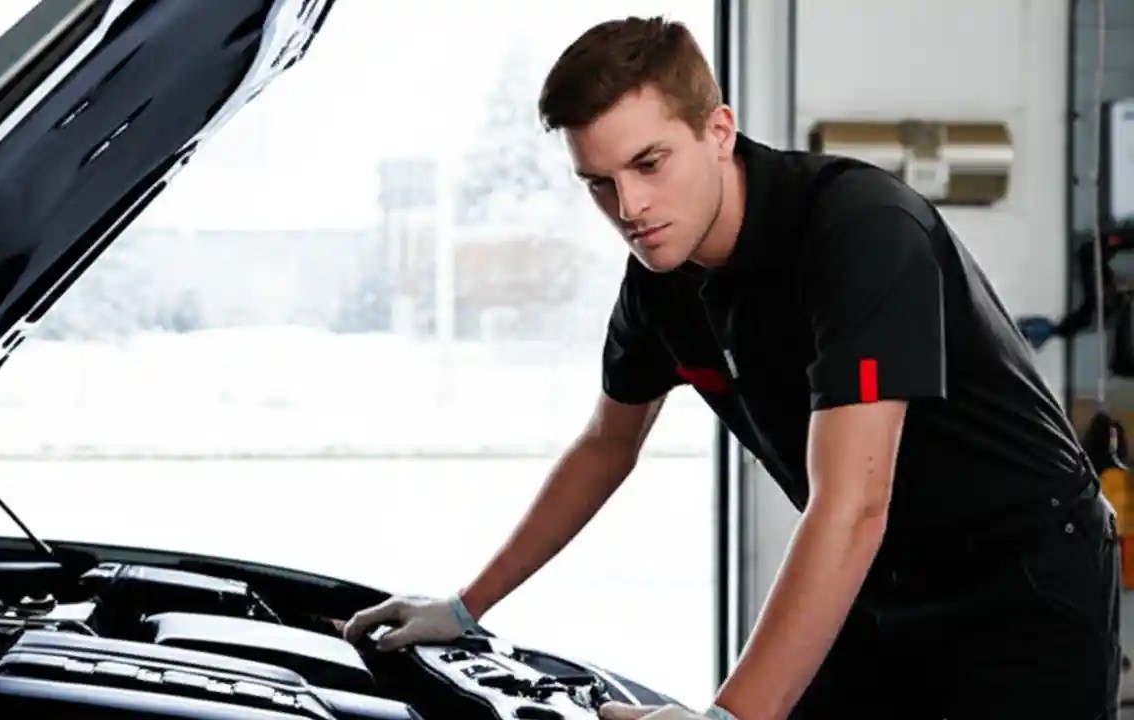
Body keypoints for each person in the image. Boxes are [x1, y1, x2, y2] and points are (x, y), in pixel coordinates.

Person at [343, 15, 1121, 720]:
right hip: (880, 579)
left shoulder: (861, 232)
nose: (630, 207)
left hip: (1021, 580)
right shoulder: (660, 279)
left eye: (650, 163)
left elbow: (853, 503)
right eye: (599, 184)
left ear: (719, 129)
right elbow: (606, 447)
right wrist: (467, 607)